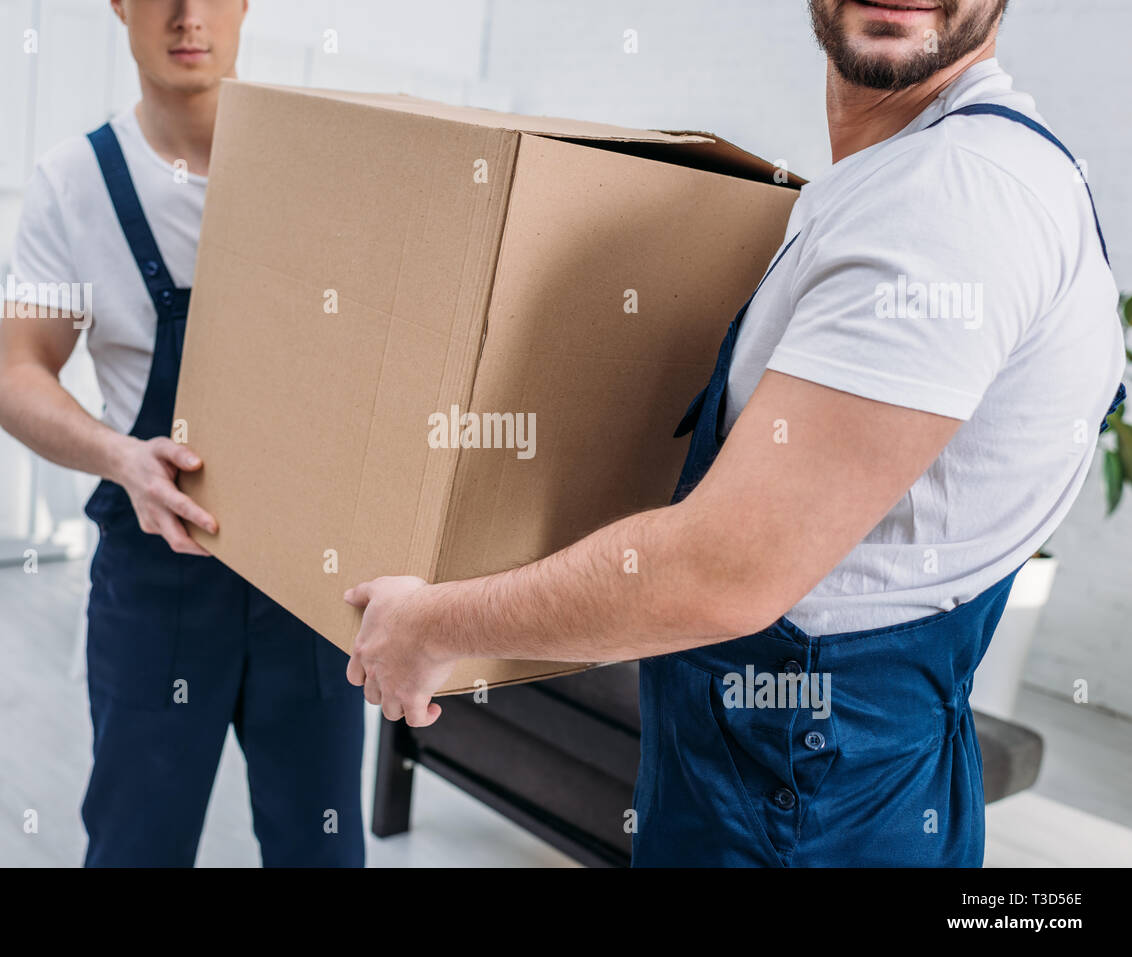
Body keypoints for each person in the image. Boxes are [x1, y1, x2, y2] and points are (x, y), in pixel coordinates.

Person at [342, 0, 1127, 866]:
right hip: (816, 769)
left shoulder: (948, 200)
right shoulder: (956, 162)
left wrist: (435, 624)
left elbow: (726, 570)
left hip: (800, 798)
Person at [0, 0, 364, 867]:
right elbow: (18, 374)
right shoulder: (72, 182)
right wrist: (122, 457)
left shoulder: (329, 168)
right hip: (155, 586)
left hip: (306, 584)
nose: (189, 14)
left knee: (322, 849)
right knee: (136, 845)